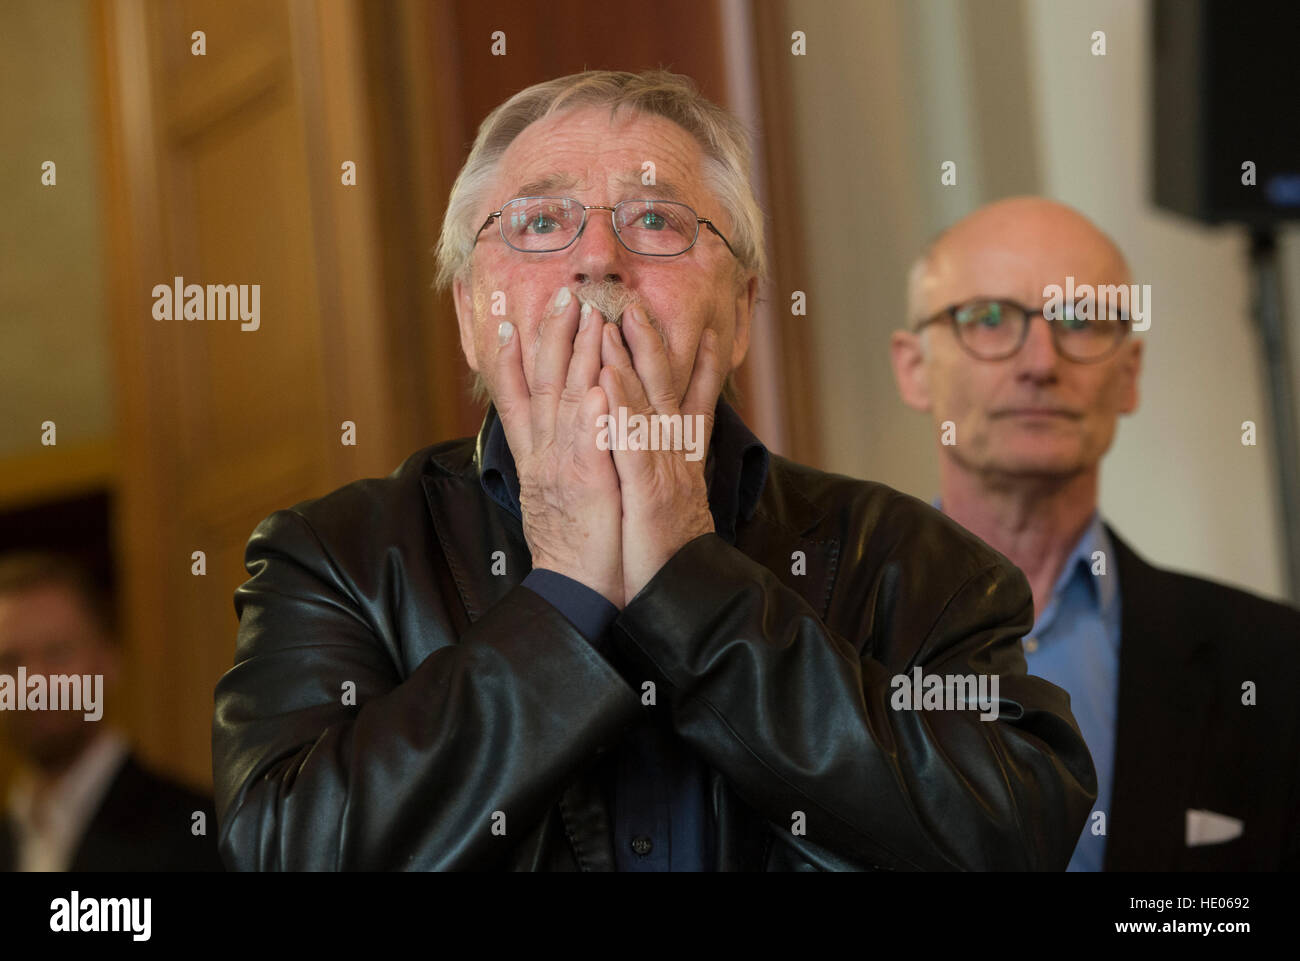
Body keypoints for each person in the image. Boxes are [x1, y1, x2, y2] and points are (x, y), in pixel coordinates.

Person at [212, 70, 1095, 872]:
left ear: (743, 311)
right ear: (472, 317)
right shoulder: (330, 558)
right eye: (540, 222)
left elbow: (1009, 837)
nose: (597, 259)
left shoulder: (920, 562)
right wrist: (562, 592)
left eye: (656, 220)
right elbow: (289, 853)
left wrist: (688, 578)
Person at [890, 195, 1300, 870]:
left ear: (1129, 375)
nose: (1041, 361)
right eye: (989, 318)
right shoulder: (820, 637)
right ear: (914, 368)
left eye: (1081, 319)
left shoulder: (1272, 663)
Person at [0, 551, 223, 871]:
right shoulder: (10, 837)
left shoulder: (201, 834)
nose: (33, 682)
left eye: (57, 653)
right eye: (8, 661)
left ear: (109, 662)